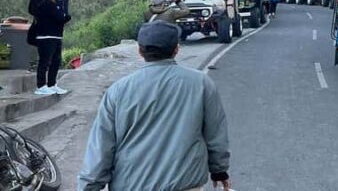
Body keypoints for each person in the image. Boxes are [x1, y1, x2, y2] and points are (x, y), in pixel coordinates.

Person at [78, 21, 232, 191]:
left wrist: (89, 187)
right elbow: (215, 133)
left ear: (139, 51)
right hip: (185, 185)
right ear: (176, 49)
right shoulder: (201, 83)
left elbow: (101, 147)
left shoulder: (118, 91)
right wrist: (219, 171)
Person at [34, 0, 71, 95]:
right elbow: (60, 18)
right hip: (46, 37)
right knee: (44, 62)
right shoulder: (47, 4)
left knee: (56, 61)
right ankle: (41, 86)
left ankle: (52, 84)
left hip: (55, 36)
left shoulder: (54, 4)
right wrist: (67, 17)